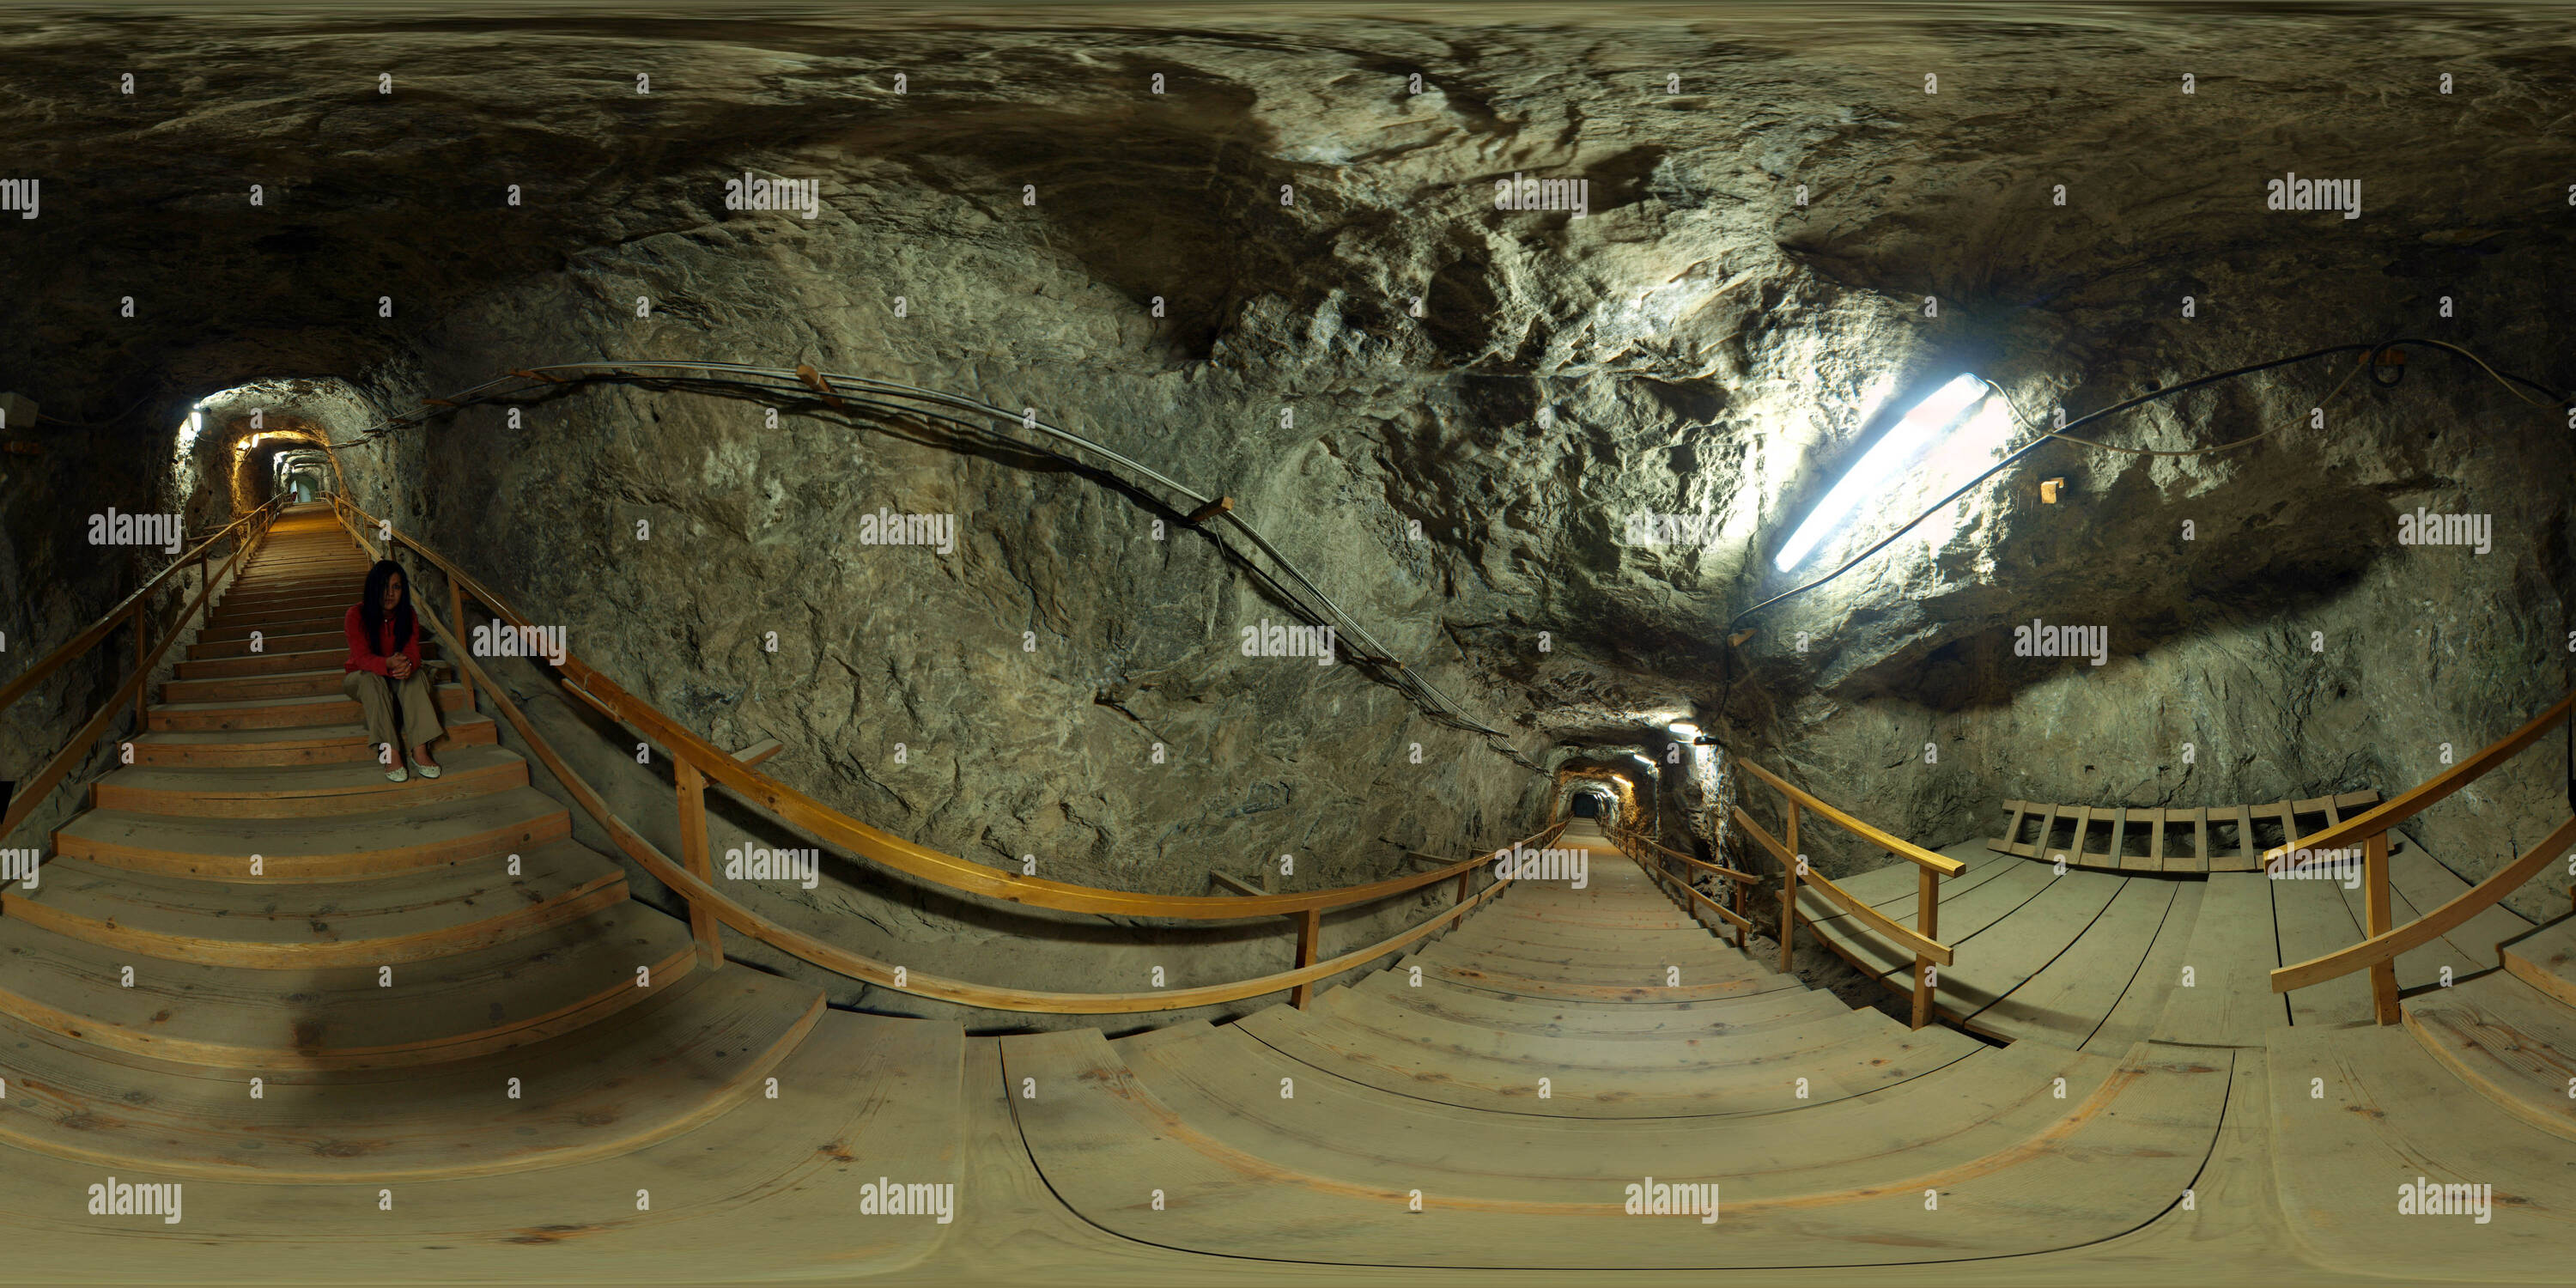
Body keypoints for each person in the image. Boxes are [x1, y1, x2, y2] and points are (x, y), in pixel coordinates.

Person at [342, 560, 445, 782]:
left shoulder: (408, 614)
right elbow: (362, 658)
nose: (390, 593)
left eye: (396, 587)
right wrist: (388, 664)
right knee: (371, 679)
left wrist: (408, 666)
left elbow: (413, 653)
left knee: (416, 677)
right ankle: (391, 752)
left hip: (397, 674)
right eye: (384, 586)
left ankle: (420, 751)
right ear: (373, 588)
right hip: (361, 676)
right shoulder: (355, 615)